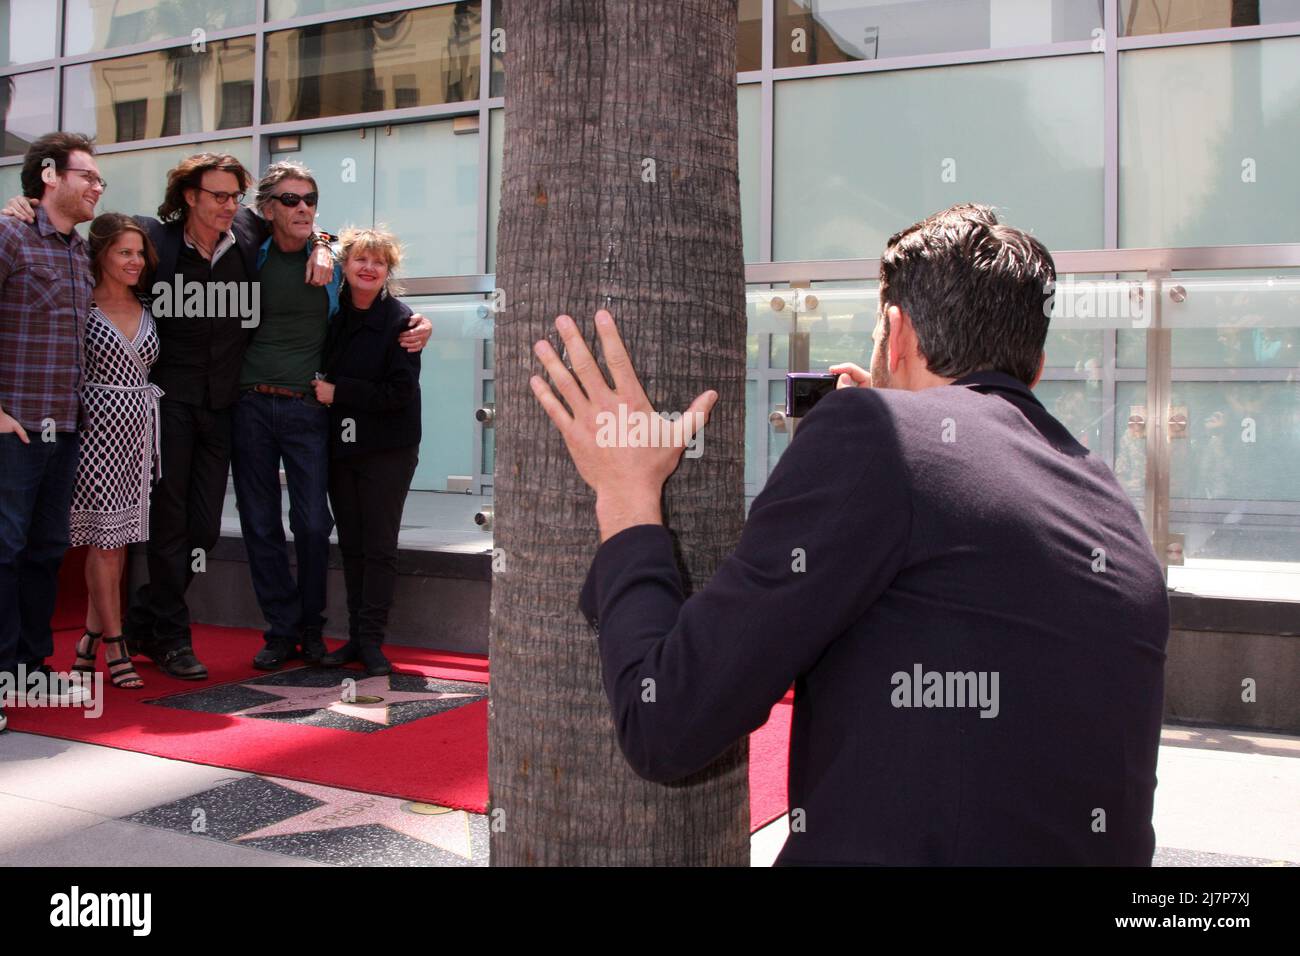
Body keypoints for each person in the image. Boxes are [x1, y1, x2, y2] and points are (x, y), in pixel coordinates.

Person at [529, 203, 1171, 866]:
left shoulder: (876, 438)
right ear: (1034, 367)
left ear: (896, 333)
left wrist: (628, 493)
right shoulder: (1108, 500)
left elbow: (666, 724)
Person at [0, 132, 101, 729]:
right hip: (12, 428)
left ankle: (29, 669)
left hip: (63, 427)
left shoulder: (79, 249)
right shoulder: (9, 234)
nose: (95, 187)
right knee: (4, 552)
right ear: (48, 176)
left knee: (44, 552)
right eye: (86, 176)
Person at [311, 228, 421, 678]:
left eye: (379, 262)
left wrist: (339, 392)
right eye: (360, 260)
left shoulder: (401, 320)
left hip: (387, 449)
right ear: (345, 266)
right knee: (352, 546)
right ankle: (356, 638)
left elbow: (398, 393)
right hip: (343, 447)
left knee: (378, 547)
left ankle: (373, 641)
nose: (369, 268)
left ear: (388, 271)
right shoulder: (332, 317)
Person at [69, 214, 163, 690]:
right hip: (95, 429)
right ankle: (115, 644)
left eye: (139, 252)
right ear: (101, 253)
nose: (135, 261)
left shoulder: (147, 301)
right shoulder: (80, 302)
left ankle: (90, 635)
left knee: (120, 541)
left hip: (138, 430)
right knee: (104, 541)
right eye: (124, 252)